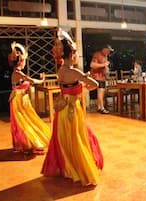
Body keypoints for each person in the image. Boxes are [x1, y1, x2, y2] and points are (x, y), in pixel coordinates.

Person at [41, 35, 103, 186]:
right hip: (72, 109)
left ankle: (66, 167)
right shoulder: (74, 72)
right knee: (76, 137)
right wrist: (84, 82)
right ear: (72, 54)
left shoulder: (61, 70)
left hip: (61, 110)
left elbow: (68, 87)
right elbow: (95, 84)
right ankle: (77, 167)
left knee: (64, 138)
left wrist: (81, 80)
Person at [8, 41, 51, 154]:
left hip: (22, 99)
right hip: (18, 100)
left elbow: (26, 83)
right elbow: (31, 80)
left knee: (28, 120)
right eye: (24, 61)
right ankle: (26, 143)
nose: (24, 63)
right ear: (20, 62)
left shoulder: (18, 73)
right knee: (23, 122)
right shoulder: (18, 73)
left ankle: (28, 141)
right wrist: (42, 80)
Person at [90, 44, 114, 114]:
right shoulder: (97, 54)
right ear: (104, 49)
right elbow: (92, 65)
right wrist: (104, 65)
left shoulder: (105, 56)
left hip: (102, 76)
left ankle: (99, 107)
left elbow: (105, 65)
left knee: (102, 91)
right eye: (108, 51)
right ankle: (102, 108)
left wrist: (107, 69)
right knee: (100, 91)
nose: (109, 52)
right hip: (97, 76)